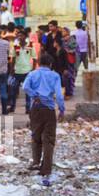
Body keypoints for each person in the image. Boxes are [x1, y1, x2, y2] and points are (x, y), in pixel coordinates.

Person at [23, 51, 65, 187]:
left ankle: (35, 162)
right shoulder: (55, 76)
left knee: (35, 136)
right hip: (49, 109)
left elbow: (25, 87)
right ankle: (46, 168)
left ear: (38, 63)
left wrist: (34, 95)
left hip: (35, 108)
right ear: (51, 64)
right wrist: (62, 109)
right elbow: (58, 94)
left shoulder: (32, 74)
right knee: (48, 139)